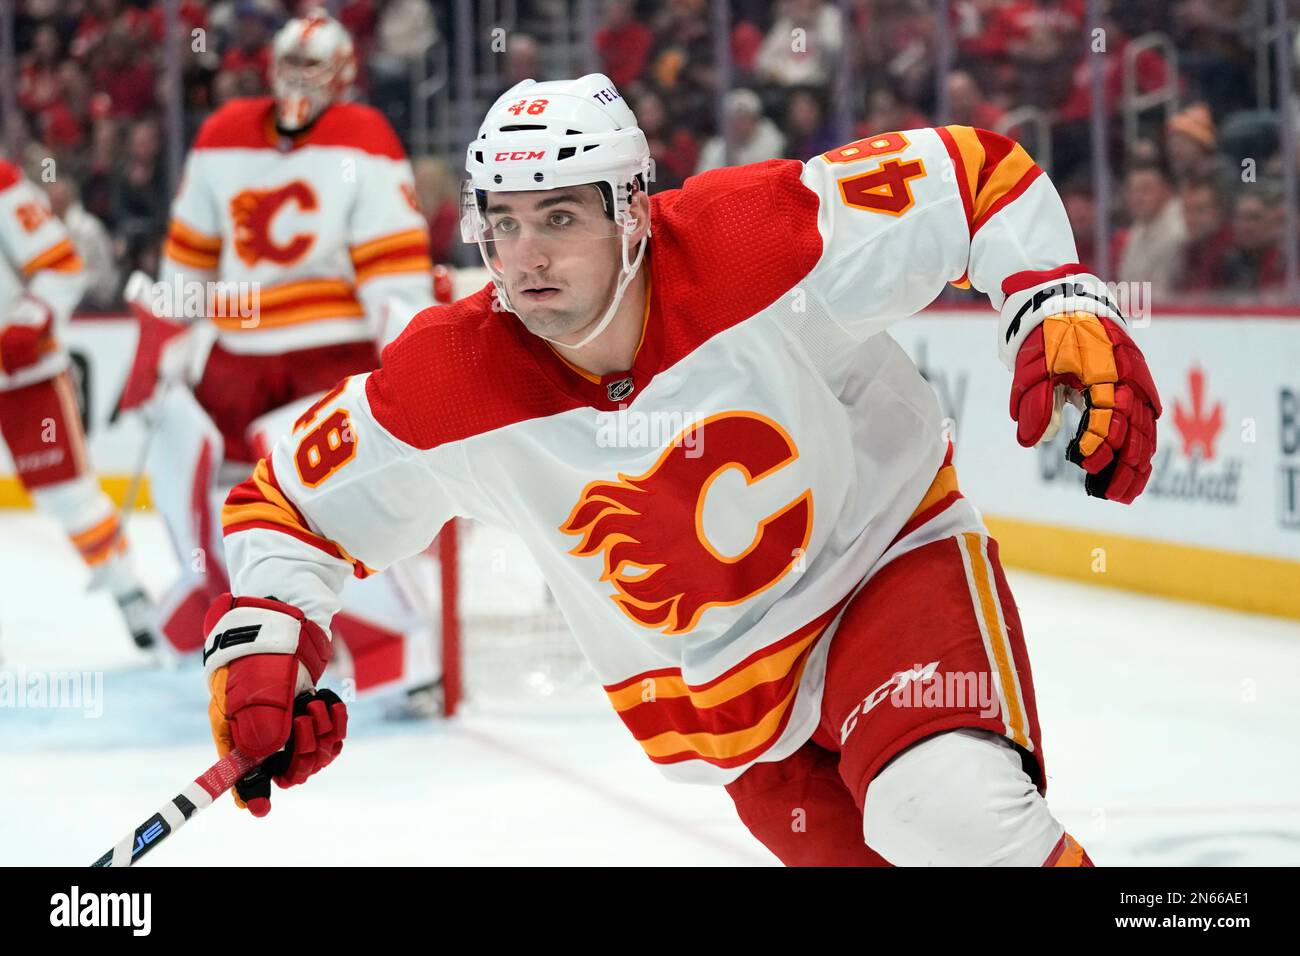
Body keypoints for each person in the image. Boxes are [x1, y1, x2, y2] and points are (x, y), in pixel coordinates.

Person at [203, 74, 1162, 866]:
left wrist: (1055, 301)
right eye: (503, 223)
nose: (526, 257)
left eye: (559, 217)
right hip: (731, 717)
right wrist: (266, 643)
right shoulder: (451, 375)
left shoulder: (757, 238)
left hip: (882, 572)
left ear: (631, 212)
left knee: (948, 816)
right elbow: (288, 503)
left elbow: (974, 176)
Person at [147, 8, 441, 708]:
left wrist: (407, 351)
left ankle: (402, 649)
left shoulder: (364, 135)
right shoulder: (223, 133)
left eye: (314, 65)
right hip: (235, 357)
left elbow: (391, 273)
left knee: (335, 496)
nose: (300, 78)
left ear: (343, 73)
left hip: (328, 354)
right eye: (292, 62)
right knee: (207, 483)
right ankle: (244, 624)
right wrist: (169, 332)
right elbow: (187, 261)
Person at [0, 158, 155, 647]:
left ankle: (128, 591)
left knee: (68, 495)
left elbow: (62, 263)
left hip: (20, 374)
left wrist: (28, 321)